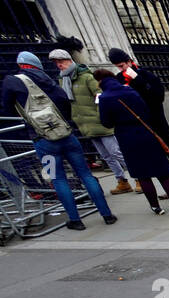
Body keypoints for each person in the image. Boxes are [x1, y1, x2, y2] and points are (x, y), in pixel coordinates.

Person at [0, 51, 115, 230]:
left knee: (58, 178)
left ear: (20, 65)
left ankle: (75, 220)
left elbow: (7, 108)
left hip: (43, 141)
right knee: (85, 173)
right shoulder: (48, 80)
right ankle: (107, 215)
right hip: (67, 137)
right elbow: (64, 102)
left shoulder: (12, 81)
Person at [93, 69, 169, 215]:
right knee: (162, 171)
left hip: (127, 138)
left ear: (99, 81)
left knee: (143, 175)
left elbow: (107, 123)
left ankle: (156, 207)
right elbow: (146, 111)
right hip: (146, 133)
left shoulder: (104, 98)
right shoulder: (130, 91)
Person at [107, 48, 169, 199]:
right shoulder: (119, 80)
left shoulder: (146, 75)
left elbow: (158, 97)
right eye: (118, 66)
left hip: (157, 121)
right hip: (141, 125)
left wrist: (138, 80)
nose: (121, 69)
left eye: (123, 65)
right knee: (159, 158)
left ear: (129, 61)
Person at [47, 49, 135, 195]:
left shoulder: (86, 77)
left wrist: (102, 115)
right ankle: (122, 181)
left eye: (61, 62)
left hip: (99, 121)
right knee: (106, 156)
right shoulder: (64, 79)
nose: (59, 65)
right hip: (85, 124)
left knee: (116, 153)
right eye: (56, 63)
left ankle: (139, 177)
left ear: (69, 60)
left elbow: (100, 96)